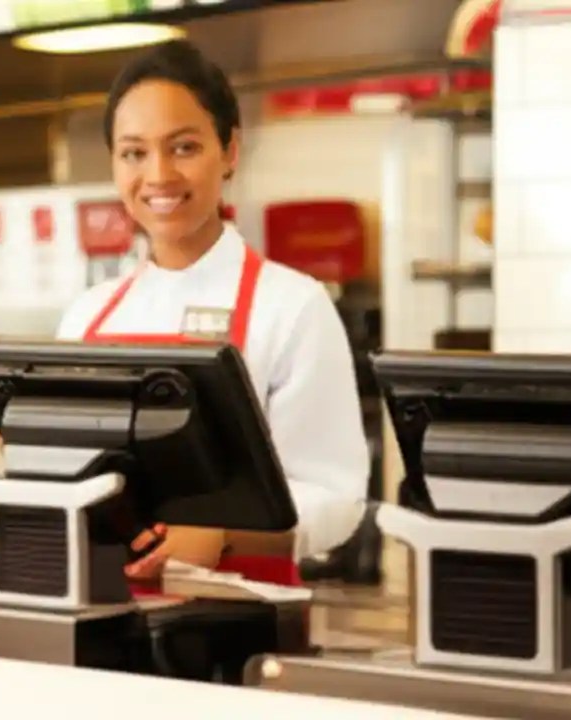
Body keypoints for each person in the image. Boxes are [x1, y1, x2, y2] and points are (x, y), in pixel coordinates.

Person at [55, 41, 370, 584]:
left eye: (183, 147)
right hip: (102, 605)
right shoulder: (86, 317)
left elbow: (336, 500)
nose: (157, 175)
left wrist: (222, 533)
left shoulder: (293, 306)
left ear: (229, 151)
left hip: (239, 624)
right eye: (133, 153)